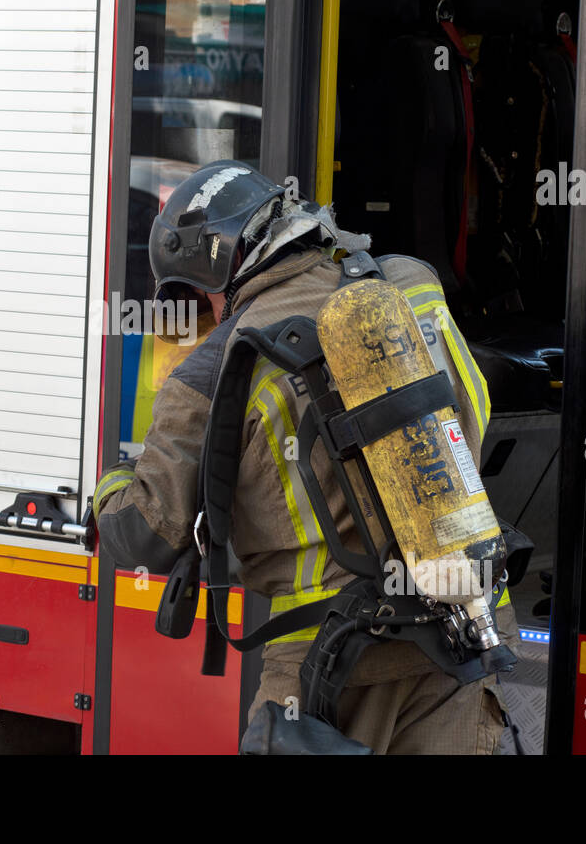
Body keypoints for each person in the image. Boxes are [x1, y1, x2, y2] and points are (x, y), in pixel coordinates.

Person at [92, 161, 517, 754]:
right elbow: (475, 407)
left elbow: (146, 536)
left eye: (198, 295)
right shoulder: (412, 284)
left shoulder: (212, 370)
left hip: (331, 659)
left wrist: (111, 484)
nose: (209, 313)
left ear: (221, 271)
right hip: (465, 628)